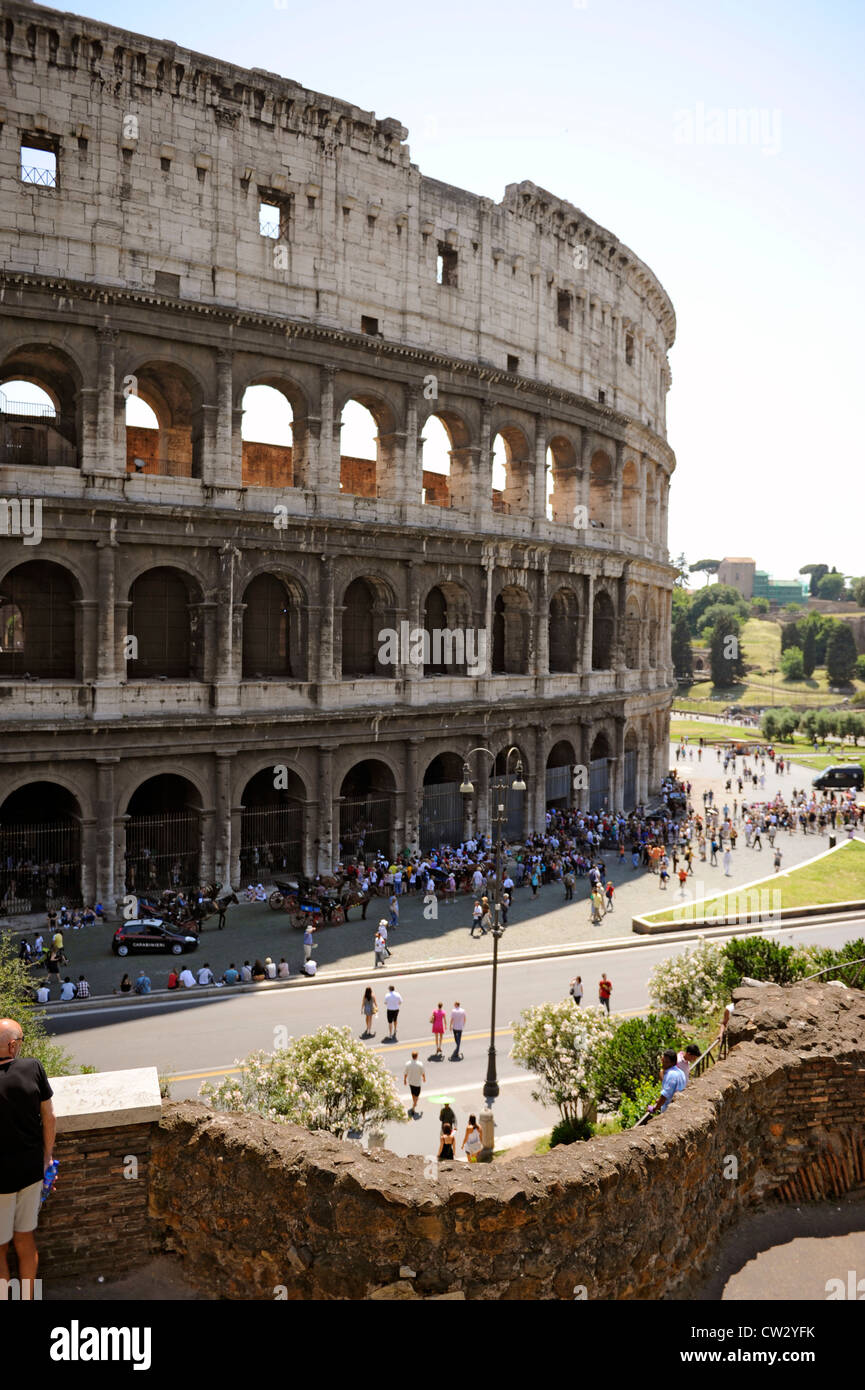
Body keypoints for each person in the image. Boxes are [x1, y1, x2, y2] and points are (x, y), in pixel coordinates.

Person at [0, 1017, 56, 1300]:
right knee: (25, 1240)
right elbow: (49, 1117)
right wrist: (47, 1159)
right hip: (32, 1172)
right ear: (12, 1046)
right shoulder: (33, 1067)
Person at [648, 1050, 687, 1114]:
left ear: (672, 1063)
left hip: (670, 1110)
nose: (662, 1063)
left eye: (665, 1062)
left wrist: (654, 1109)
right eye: (662, 1060)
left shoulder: (671, 1075)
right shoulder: (680, 1072)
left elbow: (665, 1095)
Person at [404, 1051, 425, 1116]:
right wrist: (424, 1078)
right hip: (417, 1083)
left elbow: (405, 1073)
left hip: (411, 1082)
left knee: (413, 1094)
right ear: (417, 1056)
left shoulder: (408, 1064)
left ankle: (414, 1103)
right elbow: (423, 1073)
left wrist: (404, 1080)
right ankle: (413, 1106)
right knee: (417, 1095)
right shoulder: (420, 1064)